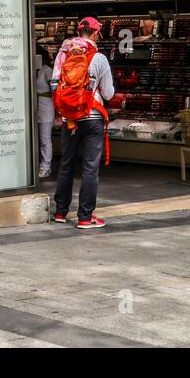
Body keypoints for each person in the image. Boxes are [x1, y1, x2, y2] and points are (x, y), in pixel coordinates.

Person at [51, 16, 116, 230]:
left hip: (70, 118)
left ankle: (60, 212)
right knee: (90, 168)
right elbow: (108, 93)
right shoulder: (99, 58)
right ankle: (85, 217)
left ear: (79, 32)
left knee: (66, 164)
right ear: (96, 34)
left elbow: (54, 86)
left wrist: (61, 112)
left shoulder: (64, 53)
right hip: (92, 116)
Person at [34, 42, 56, 179]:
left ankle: (46, 166)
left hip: (45, 106)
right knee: (35, 138)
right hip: (34, 106)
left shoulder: (46, 70)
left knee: (44, 138)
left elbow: (54, 91)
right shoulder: (30, 69)